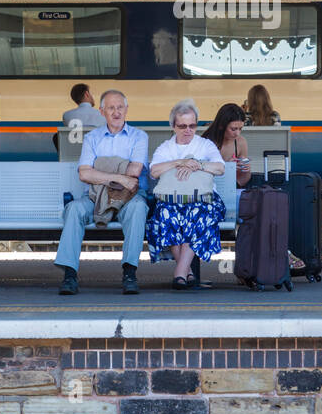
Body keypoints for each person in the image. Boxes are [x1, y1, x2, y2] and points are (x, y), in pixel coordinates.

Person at [55, 89, 149, 296]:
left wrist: (101, 169)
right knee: (73, 210)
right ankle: (70, 275)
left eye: (120, 107)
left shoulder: (139, 136)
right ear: (102, 111)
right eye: (111, 108)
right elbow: (84, 173)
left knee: (139, 208)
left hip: (128, 197)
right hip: (96, 196)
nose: (116, 112)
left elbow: (134, 173)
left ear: (126, 109)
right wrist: (119, 175)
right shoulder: (92, 138)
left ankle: (129, 272)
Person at [147, 100, 227, 288]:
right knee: (166, 215)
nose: (188, 130)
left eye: (192, 125)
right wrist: (179, 162)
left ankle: (180, 273)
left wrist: (199, 165)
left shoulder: (205, 145)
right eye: (182, 126)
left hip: (204, 199)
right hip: (172, 198)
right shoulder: (166, 148)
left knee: (197, 214)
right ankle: (187, 273)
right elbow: (154, 171)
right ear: (173, 126)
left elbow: (220, 168)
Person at [202, 102, 251, 188]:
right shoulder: (206, 142)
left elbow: (242, 182)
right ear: (221, 126)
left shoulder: (240, 142)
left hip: (230, 189)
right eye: (233, 129)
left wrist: (246, 170)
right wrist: (227, 167)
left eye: (240, 129)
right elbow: (200, 175)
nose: (237, 133)